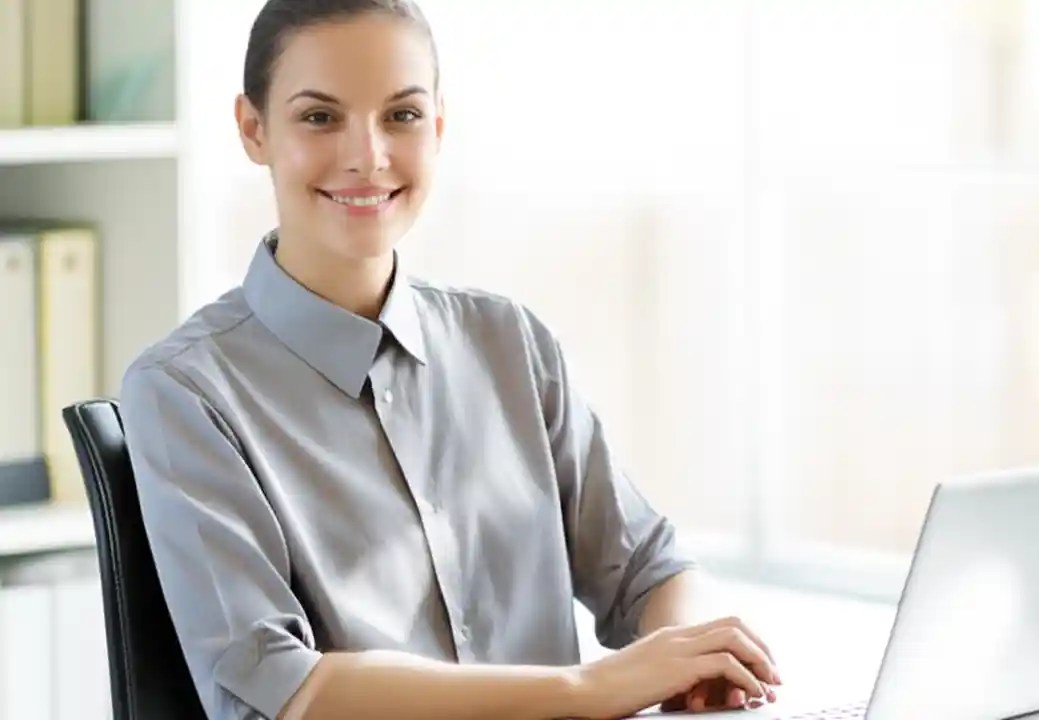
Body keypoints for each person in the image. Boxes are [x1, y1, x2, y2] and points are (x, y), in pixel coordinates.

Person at [118, 1, 782, 718]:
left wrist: (695, 655)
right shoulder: (184, 391)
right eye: (320, 117)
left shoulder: (510, 343)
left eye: (400, 116)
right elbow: (279, 688)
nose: (367, 155)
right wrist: (591, 688)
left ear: (437, 126)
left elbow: (648, 570)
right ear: (254, 129)